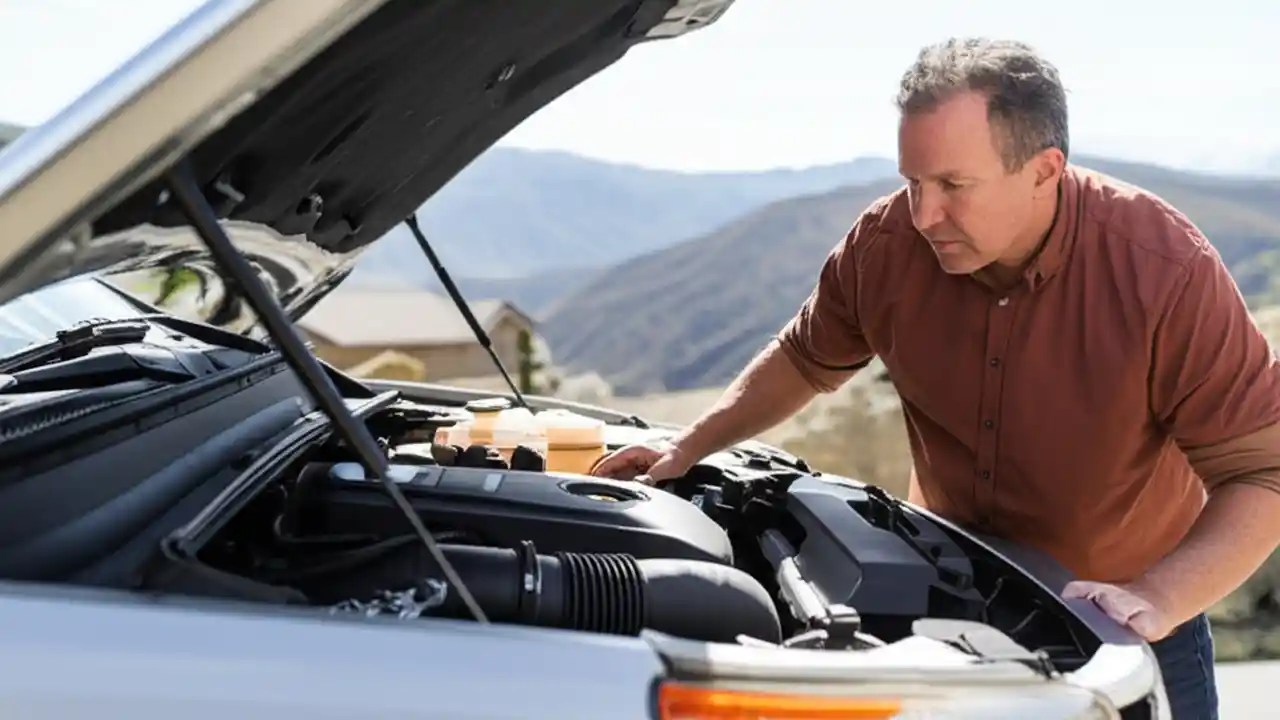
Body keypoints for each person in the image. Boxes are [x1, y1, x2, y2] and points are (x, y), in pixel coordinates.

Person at [590, 37, 1280, 718]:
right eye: (912, 182)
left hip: (1124, 631)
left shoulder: (1164, 272)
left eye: (953, 185)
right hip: (950, 606)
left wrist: (1157, 599)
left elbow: (1264, 474)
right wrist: (690, 447)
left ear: (1045, 170)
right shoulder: (885, 245)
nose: (924, 215)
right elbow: (804, 358)